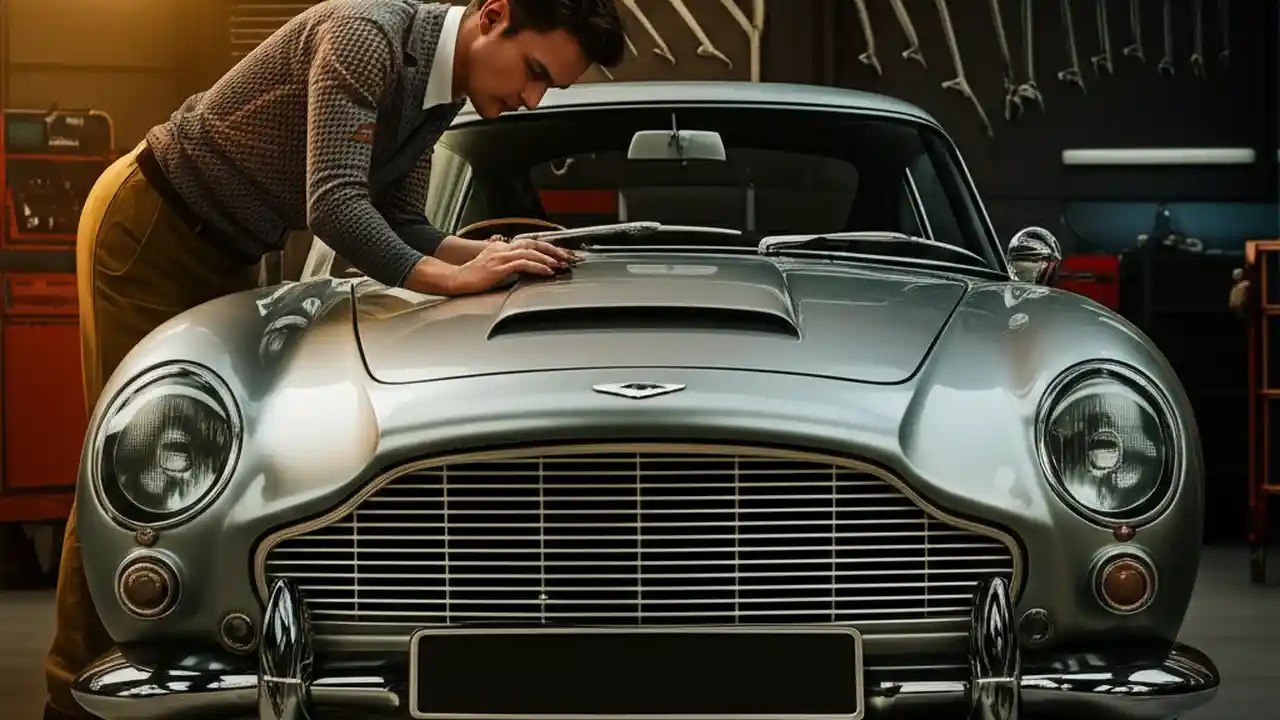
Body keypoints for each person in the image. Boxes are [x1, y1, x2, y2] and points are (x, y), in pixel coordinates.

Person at [43, 1, 627, 717]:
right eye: (535, 72)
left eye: (550, 89)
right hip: (153, 221)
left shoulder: (443, 91)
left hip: (228, 243)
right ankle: (67, 697)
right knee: (139, 473)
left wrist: (494, 254)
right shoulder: (366, 37)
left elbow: (404, 223)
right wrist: (454, 277)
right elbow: (336, 205)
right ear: (493, 15)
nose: (531, 99)